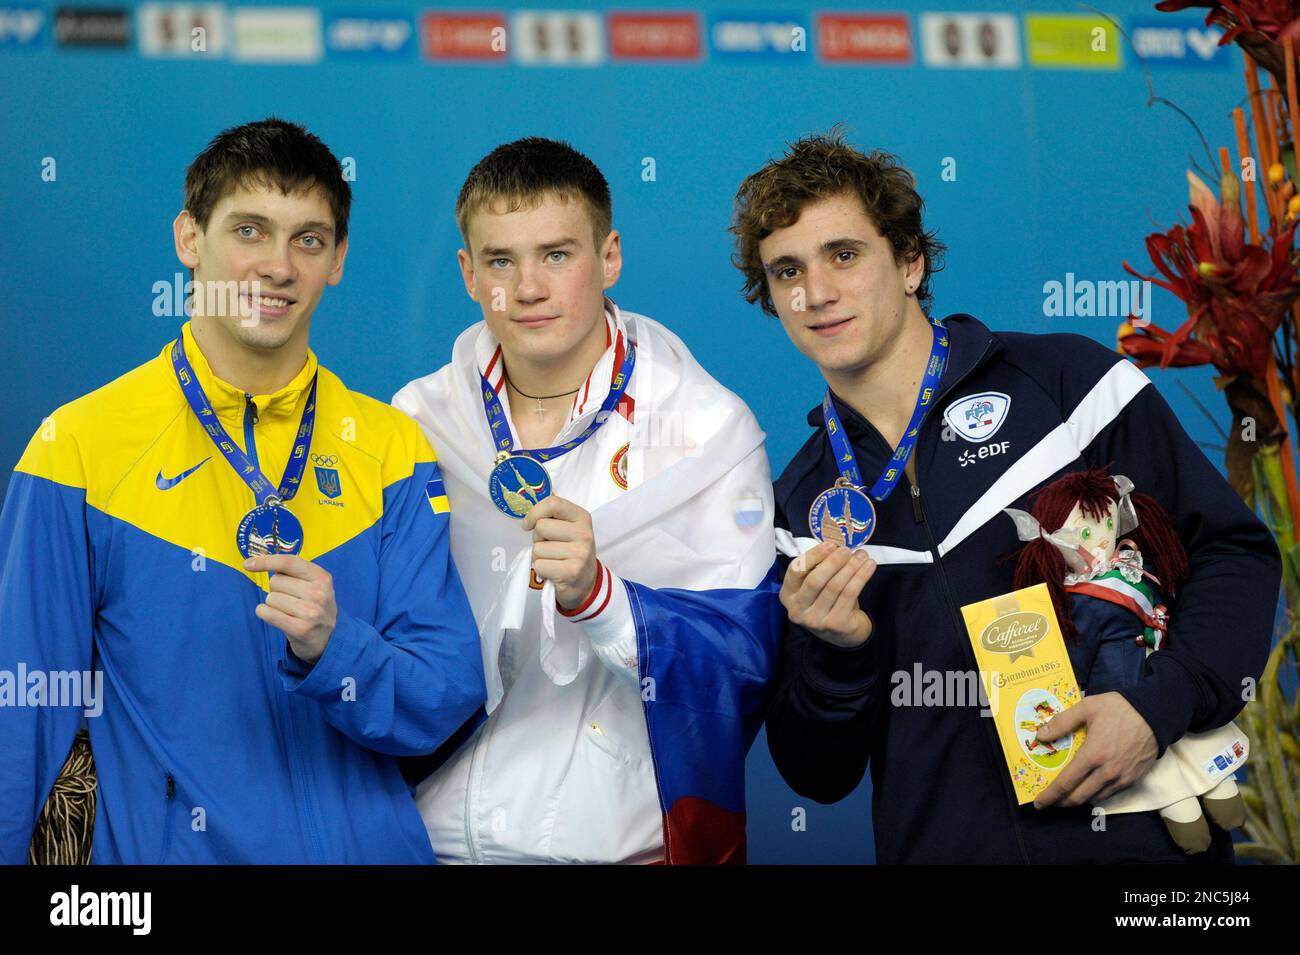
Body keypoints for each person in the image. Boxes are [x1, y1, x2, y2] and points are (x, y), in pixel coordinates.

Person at [732, 127, 1280, 863]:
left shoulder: (1068, 385)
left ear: (909, 261)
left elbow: (1233, 553)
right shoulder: (801, 509)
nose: (816, 292)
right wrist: (837, 652)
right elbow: (817, 774)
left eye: (843, 254)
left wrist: (1156, 707)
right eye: (786, 271)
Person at [0, 117, 485, 863]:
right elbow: (24, 715)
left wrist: (337, 649)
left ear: (339, 260)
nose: (279, 267)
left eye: (309, 240)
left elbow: (446, 699)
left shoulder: (391, 449)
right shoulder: (79, 448)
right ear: (188, 240)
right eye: (250, 231)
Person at [392, 137, 781, 864]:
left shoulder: (704, 429)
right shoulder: (417, 422)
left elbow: (745, 663)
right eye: (501, 261)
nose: (529, 286)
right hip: (430, 844)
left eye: (557, 255)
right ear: (468, 274)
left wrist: (603, 598)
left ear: (610, 258)